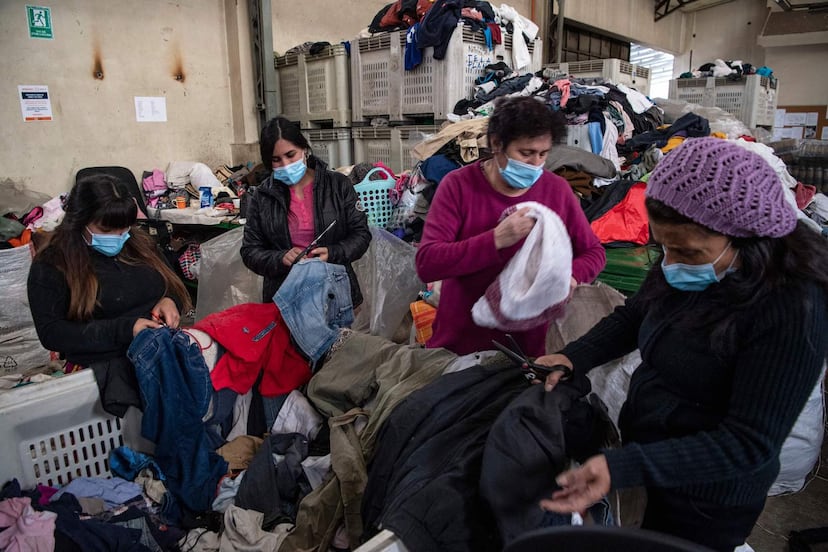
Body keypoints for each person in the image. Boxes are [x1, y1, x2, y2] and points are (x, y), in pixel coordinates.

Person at [536, 137, 828, 551]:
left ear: (746, 238)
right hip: (656, 460)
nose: (670, 263)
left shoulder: (792, 310)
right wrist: (571, 357)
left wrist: (625, 466)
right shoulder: (690, 265)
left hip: (709, 499)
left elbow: (748, 444)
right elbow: (635, 315)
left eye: (688, 251)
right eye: (664, 247)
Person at [415, 96, 606, 356]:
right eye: (525, 153)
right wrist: (495, 239)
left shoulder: (556, 190)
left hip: (527, 347)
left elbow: (594, 252)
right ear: (497, 144)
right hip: (461, 341)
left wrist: (570, 276)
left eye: (543, 154)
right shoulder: (458, 186)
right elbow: (428, 263)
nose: (536, 164)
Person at [28, 173, 192, 416]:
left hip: (159, 361)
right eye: (107, 229)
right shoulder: (53, 264)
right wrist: (126, 329)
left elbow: (171, 284)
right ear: (79, 221)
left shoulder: (138, 244)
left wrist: (170, 300)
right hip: (100, 375)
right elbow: (52, 334)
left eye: (124, 227)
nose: (119, 236)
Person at [241, 117, 371, 306]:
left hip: (336, 294)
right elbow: (250, 251)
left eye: (291, 155)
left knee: (341, 336)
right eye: (276, 160)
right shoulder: (262, 197)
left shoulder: (338, 185)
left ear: (304, 149)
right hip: (285, 299)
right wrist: (280, 258)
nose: (285, 165)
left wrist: (333, 252)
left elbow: (361, 235)